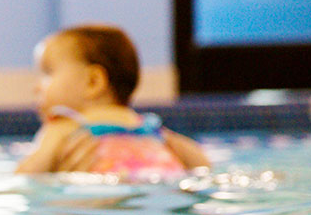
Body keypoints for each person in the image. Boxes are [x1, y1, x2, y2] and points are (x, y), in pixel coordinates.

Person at [15, 25, 209, 176]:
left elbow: (26, 176)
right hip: (159, 184)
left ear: (93, 82)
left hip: (98, 196)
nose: (37, 87)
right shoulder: (150, 128)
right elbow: (202, 163)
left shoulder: (64, 127)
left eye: (48, 73)